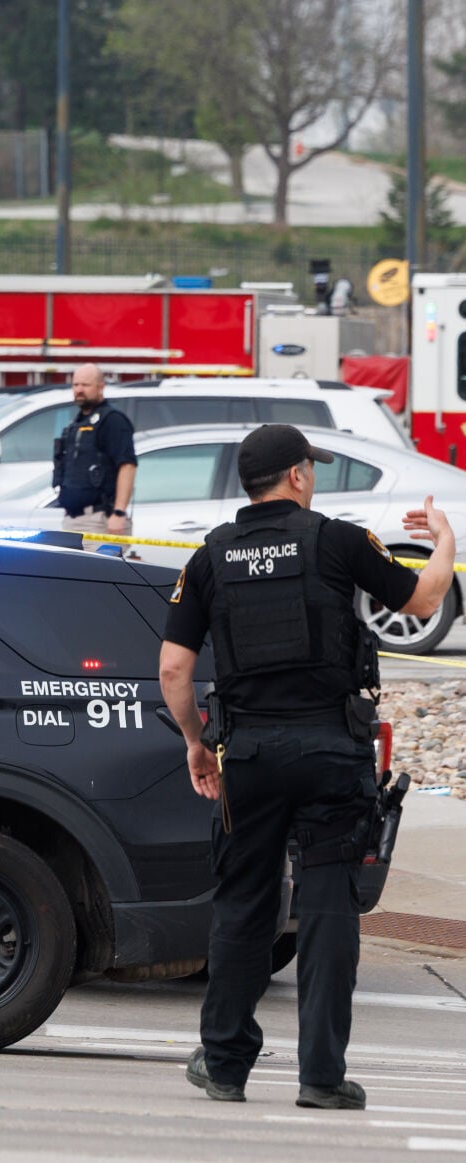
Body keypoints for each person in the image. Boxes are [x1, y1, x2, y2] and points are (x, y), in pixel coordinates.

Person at [159, 424, 455, 1111]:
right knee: (326, 914)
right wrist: (441, 541)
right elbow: (420, 600)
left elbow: (173, 669)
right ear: (295, 476)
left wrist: (195, 744)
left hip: (251, 759)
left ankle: (225, 1066)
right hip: (329, 756)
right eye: (309, 468)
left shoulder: (209, 557)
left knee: (242, 907)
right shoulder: (336, 540)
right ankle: (320, 1077)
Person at [53, 363, 136, 537]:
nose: (79, 390)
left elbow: (127, 466)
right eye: (76, 385)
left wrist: (119, 513)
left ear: (101, 387)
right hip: (73, 518)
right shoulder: (77, 423)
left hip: (100, 520)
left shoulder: (113, 421)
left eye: (85, 385)